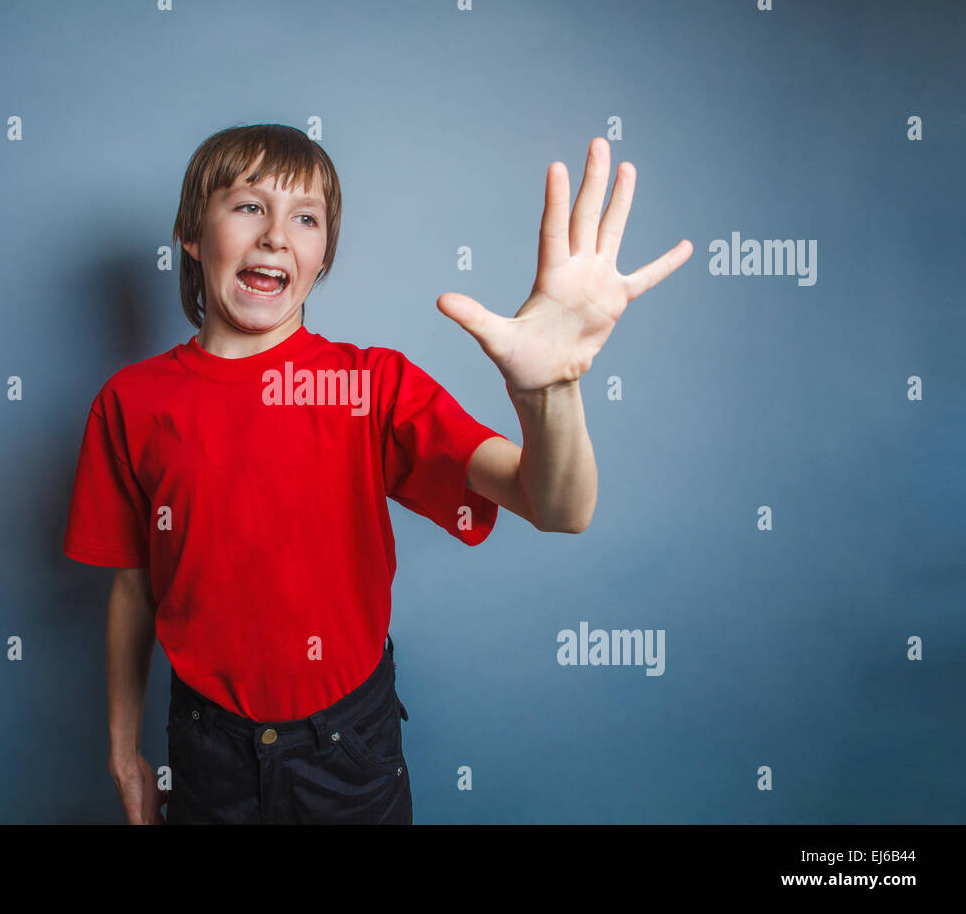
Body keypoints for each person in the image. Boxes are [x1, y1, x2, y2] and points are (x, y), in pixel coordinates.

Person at [63, 124, 691, 824]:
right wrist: (124, 751)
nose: (276, 235)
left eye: (305, 217)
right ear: (189, 232)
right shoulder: (131, 403)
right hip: (207, 753)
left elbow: (557, 506)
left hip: (348, 753)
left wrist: (552, 394)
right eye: (248, 206)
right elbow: (133, 584)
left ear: (322, 253)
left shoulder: (373, 385)